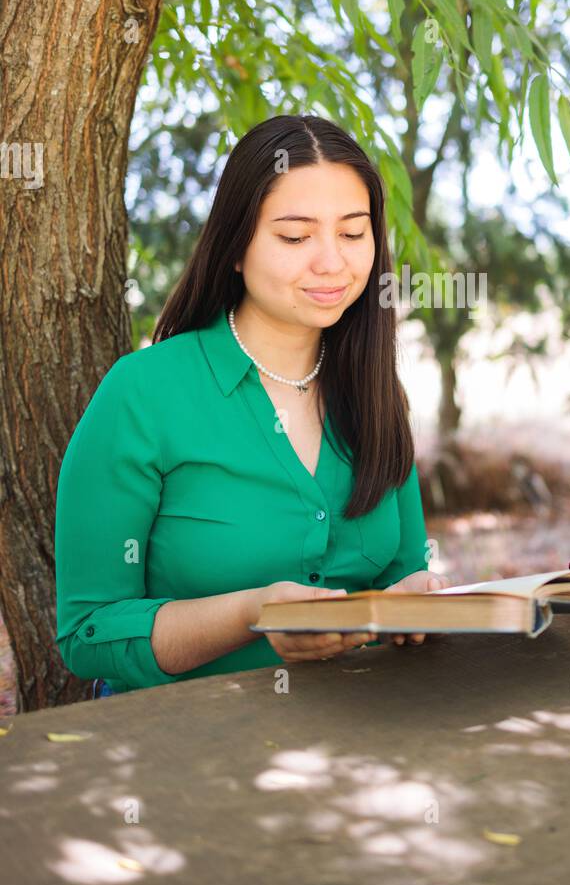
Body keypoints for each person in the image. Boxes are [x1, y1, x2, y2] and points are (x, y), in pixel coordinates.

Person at [56, 114, 447, 697]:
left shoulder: (374, 391)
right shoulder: (142, 393)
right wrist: (252, 613)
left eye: (352, 232)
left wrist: (412, 601)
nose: (331, 262)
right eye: (295, 237)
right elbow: (90, 634)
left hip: (363, 730)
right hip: (190, 746)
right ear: (235, 247)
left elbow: (398, 573)